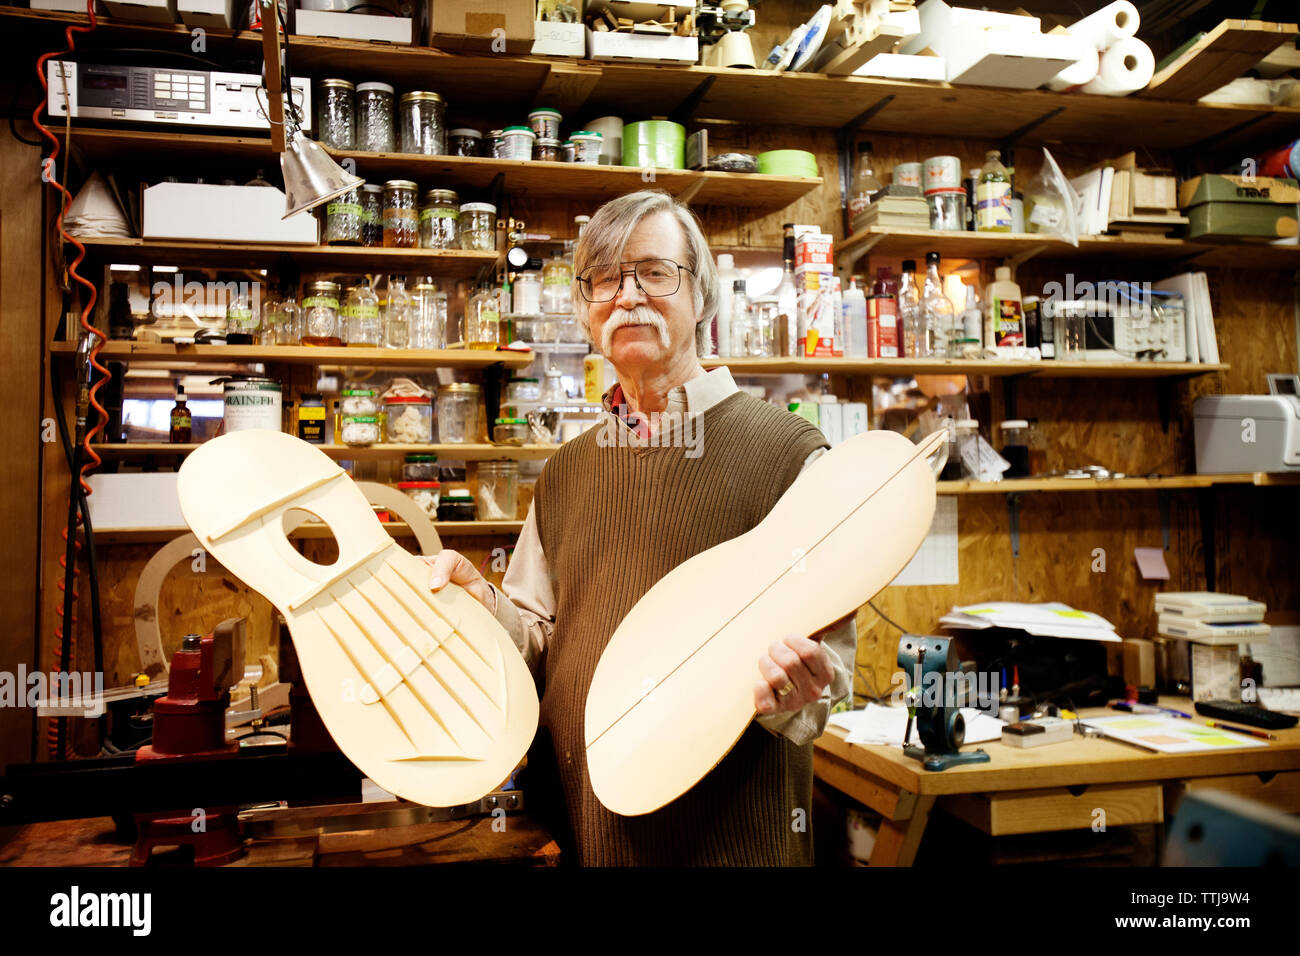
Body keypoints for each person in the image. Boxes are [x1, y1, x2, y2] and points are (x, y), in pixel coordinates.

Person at [425, 190, 854, 865]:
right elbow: (539, 641)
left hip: (733, 847)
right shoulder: (566, 471)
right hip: (589, 838)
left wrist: (798, 692)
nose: (627, 295)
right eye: (604, 278)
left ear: (701, 298)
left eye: (654, 272)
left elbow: (832, 678)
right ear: (586, 307)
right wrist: (481, 602)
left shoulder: (789, 455)